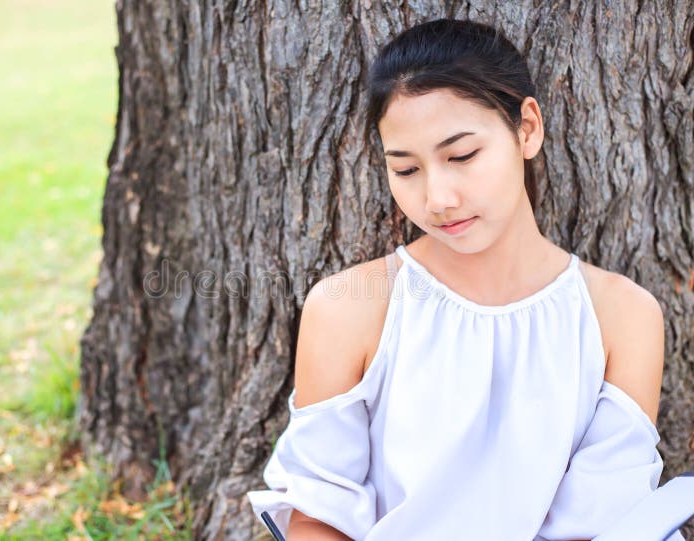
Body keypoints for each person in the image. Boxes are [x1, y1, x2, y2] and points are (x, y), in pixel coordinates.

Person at [246, 18, 684, 541]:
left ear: (527, 128)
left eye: (462, 156)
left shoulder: (621, 316)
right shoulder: (349, 308)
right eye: (406, 170)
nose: (437, 199)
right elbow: (318, 515)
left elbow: (609, 519)